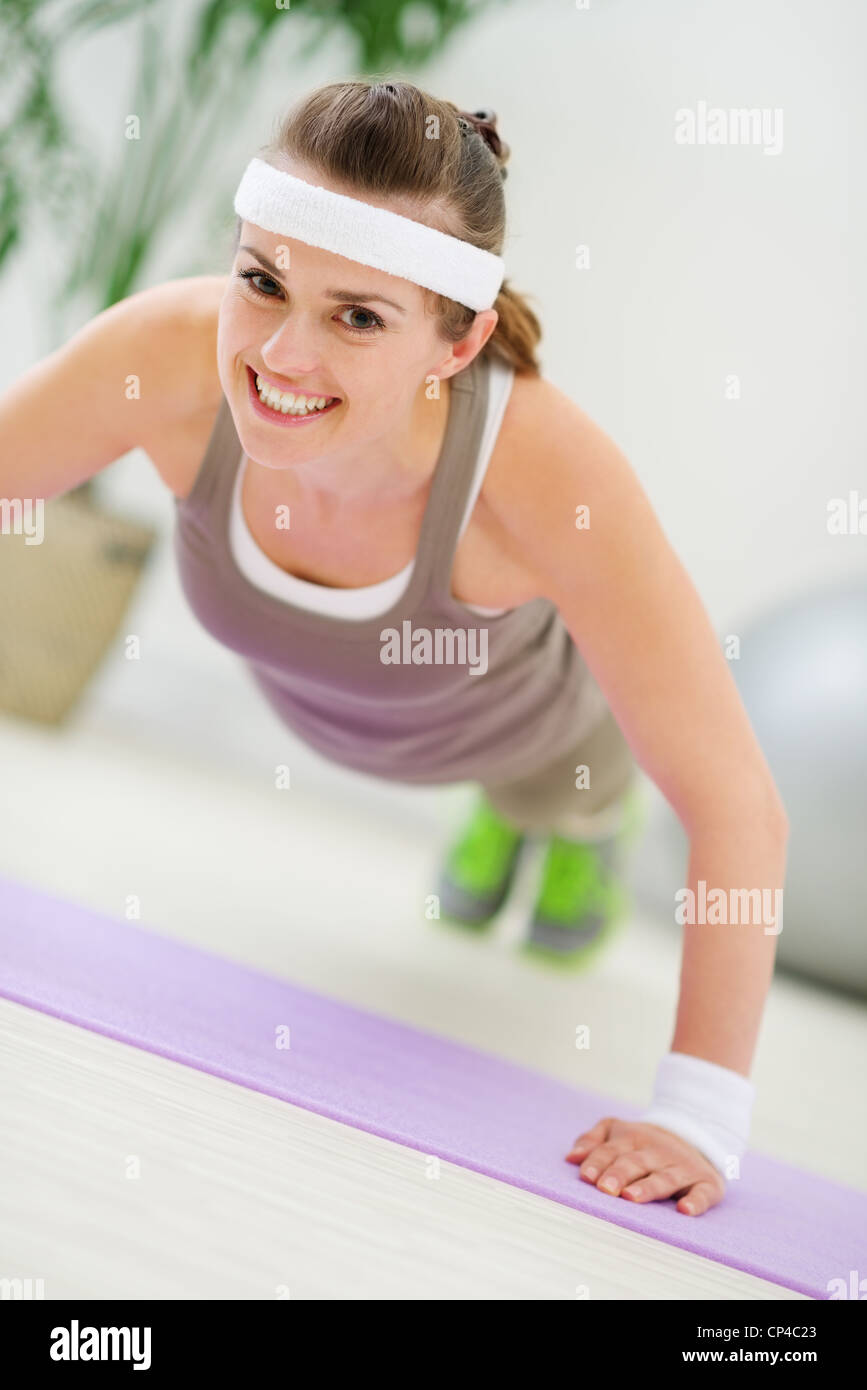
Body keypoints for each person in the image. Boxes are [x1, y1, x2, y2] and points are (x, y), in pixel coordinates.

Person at [0, 80, 788, 1217]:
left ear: (457, 338)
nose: (279, 351)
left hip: (539, 732)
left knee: (554, 825)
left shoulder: (544, 472)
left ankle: (567, 824)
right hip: (334, 708)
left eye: (358, 316)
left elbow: (738, 805)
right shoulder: (164, 356)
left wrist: (699, 1116)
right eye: (261, 280)